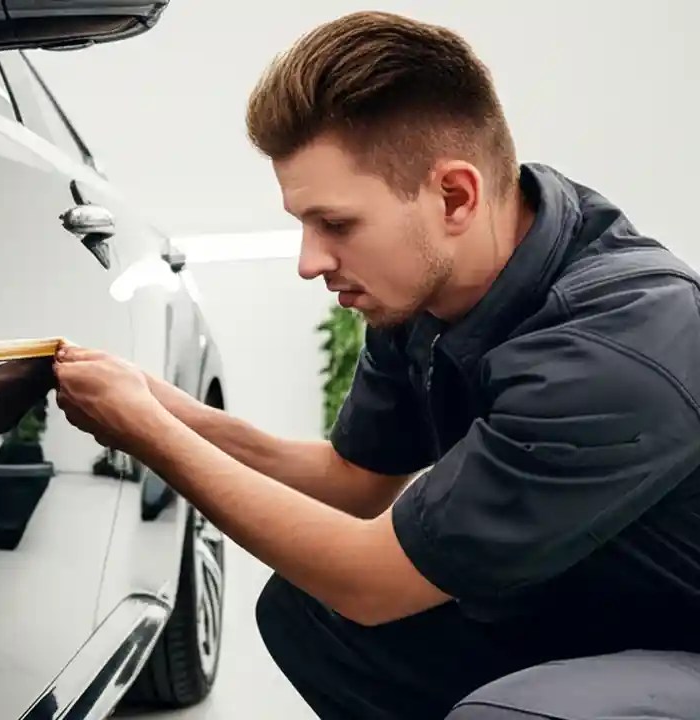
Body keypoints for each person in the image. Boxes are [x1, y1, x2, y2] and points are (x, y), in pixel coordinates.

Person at [51, 10, 700, 720]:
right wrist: (162, 403)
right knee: (312, 616)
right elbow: (352, 484)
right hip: (597, 614)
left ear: (455, 196)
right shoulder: (428, 293)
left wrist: (148, 433)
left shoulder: (616, 346)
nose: (309, 261)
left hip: (680, 645)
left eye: (335, 225)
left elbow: (372, 579)